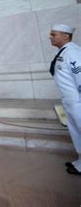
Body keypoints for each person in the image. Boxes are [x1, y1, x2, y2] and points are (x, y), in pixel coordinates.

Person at [49, 23, 81, 176]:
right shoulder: (63, 52)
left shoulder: (73, 53)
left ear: (66, 36)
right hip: (70, 101)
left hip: (78, 102)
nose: (50, 37)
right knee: (76, 133)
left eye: (54, 34)